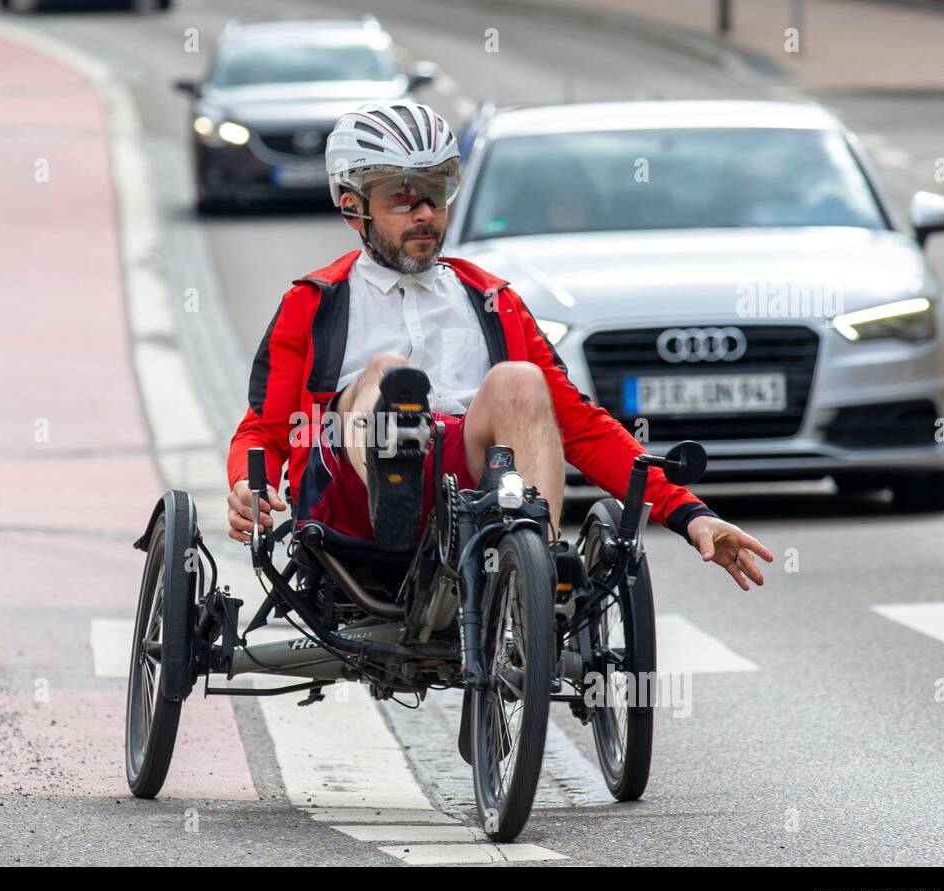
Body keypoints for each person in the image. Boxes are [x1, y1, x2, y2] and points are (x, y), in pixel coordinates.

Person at [227, 100, 772, 591]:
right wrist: (246, 489)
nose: (424, 213)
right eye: (401, 197)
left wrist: (688, 512)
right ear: (353, 208)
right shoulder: (314, 302)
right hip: (349, 496)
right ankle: (398, 478)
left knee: (520, 381)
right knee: (386, 374)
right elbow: (265, 429)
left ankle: (540, 558)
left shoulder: (491, 299)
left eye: (434, 195)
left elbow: (578, 426)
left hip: (470, 491)